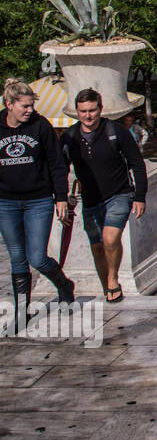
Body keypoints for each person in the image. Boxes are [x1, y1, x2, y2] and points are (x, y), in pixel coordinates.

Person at [61, 88, 148, 303]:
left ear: (100, 109)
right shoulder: (69, 137)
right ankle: (106, 284)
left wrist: (140, 195)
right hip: (90, 199)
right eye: (83, 111)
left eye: (92, 110)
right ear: (77, 112)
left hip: (119, 194)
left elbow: (137, 164)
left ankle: (112, 279)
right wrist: (60, 197)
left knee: (110, 239)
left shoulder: (116, 131)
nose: (88, 116)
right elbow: (59, 168)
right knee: (97, 245)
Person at [0, 78, 75, 321]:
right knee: (17, 257)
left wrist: (61, 197)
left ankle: (64, 285)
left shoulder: (41, 125)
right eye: (25, 106)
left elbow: (56, 163)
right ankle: (22, 312)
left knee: (37, 257)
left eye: (32, 105)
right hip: (6, 202)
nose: (30, 110)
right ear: (9, 104)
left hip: (38, 200)